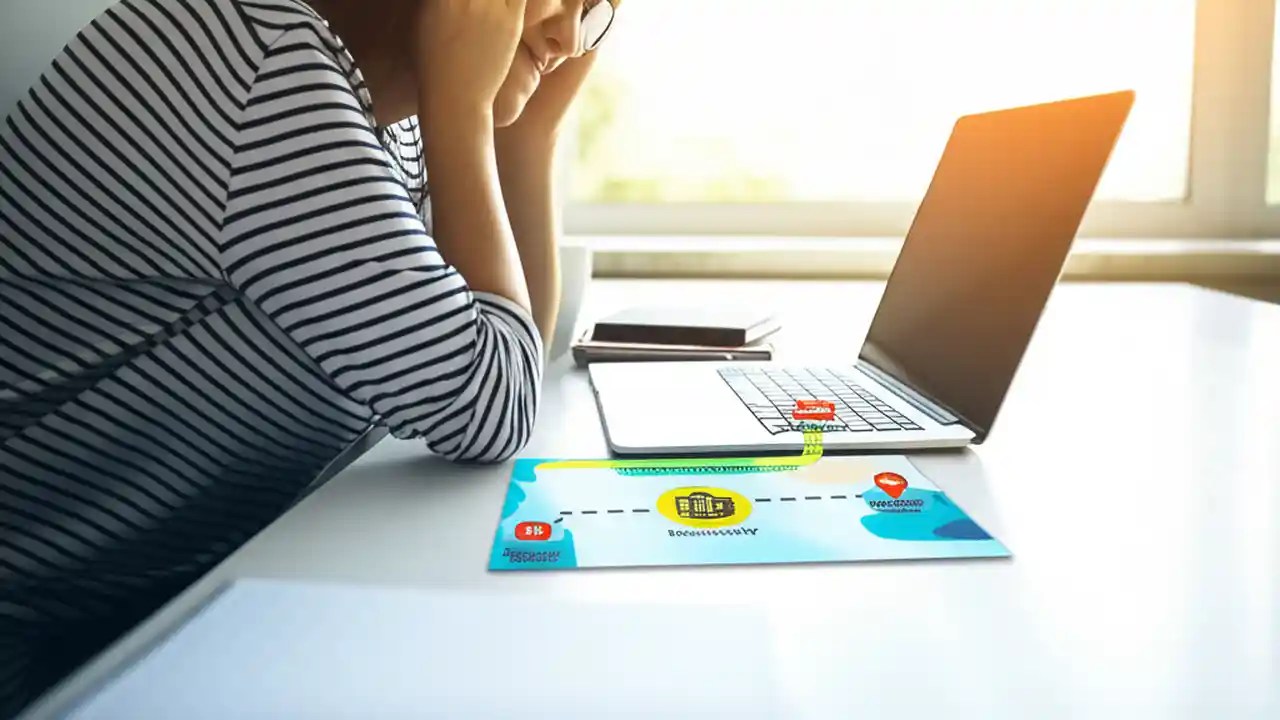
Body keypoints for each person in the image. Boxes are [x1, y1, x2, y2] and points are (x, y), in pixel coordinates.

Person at [0, 0, 618, 715]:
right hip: (33, 636)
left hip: (132, 612)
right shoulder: (260, 64)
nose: (571, 36)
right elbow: (490, 405)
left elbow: (510, 357)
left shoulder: (383, 116)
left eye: (597, 10)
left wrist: (529, 137)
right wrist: (465, 112)